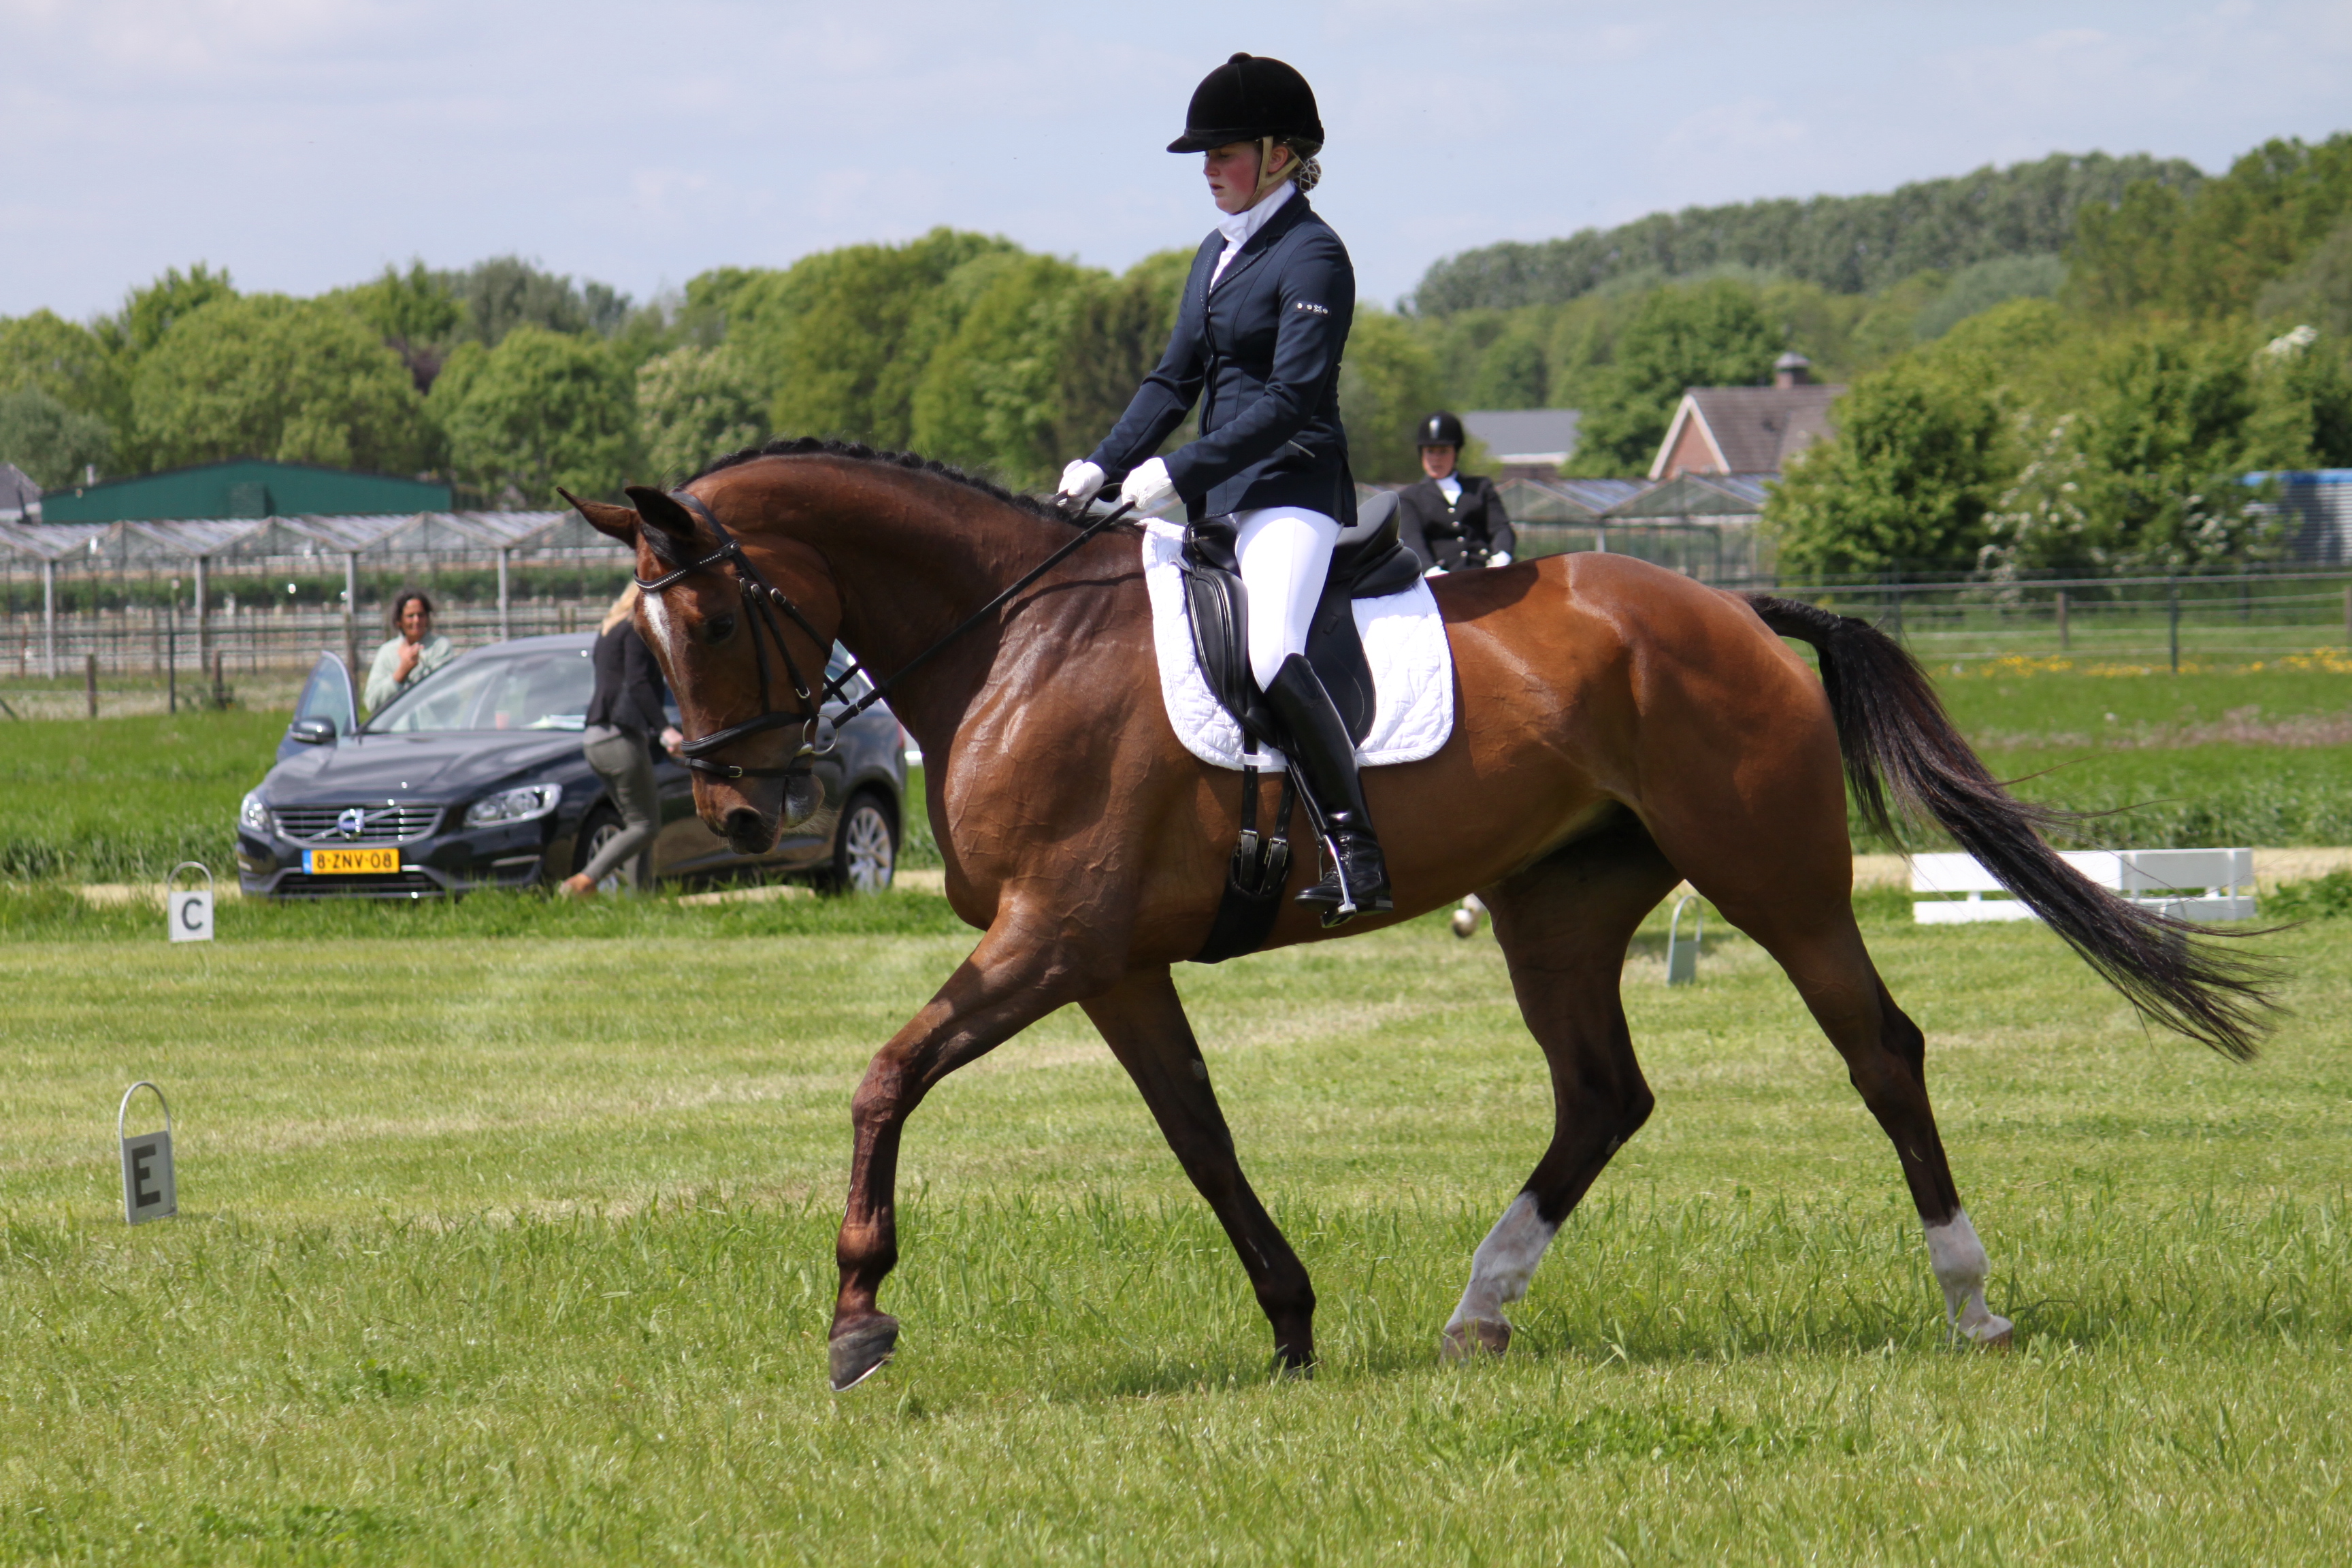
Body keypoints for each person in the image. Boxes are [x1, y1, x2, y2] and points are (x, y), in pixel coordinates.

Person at [1054, 52, 1390, 920]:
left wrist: (1174, 471)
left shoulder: (1315, 256)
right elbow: (1174, 382)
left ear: (1280, 154)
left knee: (1271, 648)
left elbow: (1289, 402)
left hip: (1291, 493)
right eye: (1203, 156)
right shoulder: (1218, 251)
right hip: (1215, 503)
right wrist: (1106, 462)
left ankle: (1357, 848)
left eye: (1224, 152)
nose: (1207, 169)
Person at [561, 584, 684, 898]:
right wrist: (665, 730)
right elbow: (639, 682)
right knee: (645, 826)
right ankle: (583, 882)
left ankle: (638, 901)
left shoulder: (609, 629)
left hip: (595, 737)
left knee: (635, 826)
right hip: (621, 737)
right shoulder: (635, 627)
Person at [1396, 412, 1516, 575]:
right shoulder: (1410, 498)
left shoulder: (1481, 488)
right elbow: (1413, 540)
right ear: (1422, 453)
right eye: (1430, 451)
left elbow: (1501, 527)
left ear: (1456, 452)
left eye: (1443, 451)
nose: (1436, 459)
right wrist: (1432, 572)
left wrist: (1501, 558)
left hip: (1487, 573)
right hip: (1441, 581)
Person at [363, 588, 454, 714]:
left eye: (421, 615)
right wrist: (402, 672)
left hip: (433, 730)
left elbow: (446, 694)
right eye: (410, 616)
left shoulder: (440, 647)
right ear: (399, 621)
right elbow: (372, 703)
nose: (417, 620)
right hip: (396, 732)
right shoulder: (388, 652)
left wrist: (418, 666)